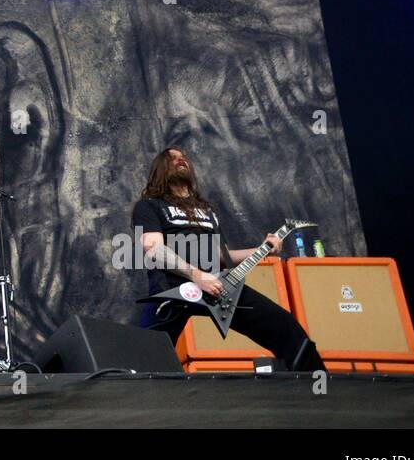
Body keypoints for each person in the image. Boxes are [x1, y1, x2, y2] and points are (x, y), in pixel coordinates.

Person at [131, 147, 325, 372]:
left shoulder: (205, 211)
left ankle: (319, 387)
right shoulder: (150, 206)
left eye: (183, 157)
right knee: (144, 356)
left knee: (285, 327)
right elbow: (153, 248)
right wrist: (197, 276)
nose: (180, 160)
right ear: (160, 169)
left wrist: (262, 249)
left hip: (216, 286)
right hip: (173, 288)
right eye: (172, 158)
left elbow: (221, 257)